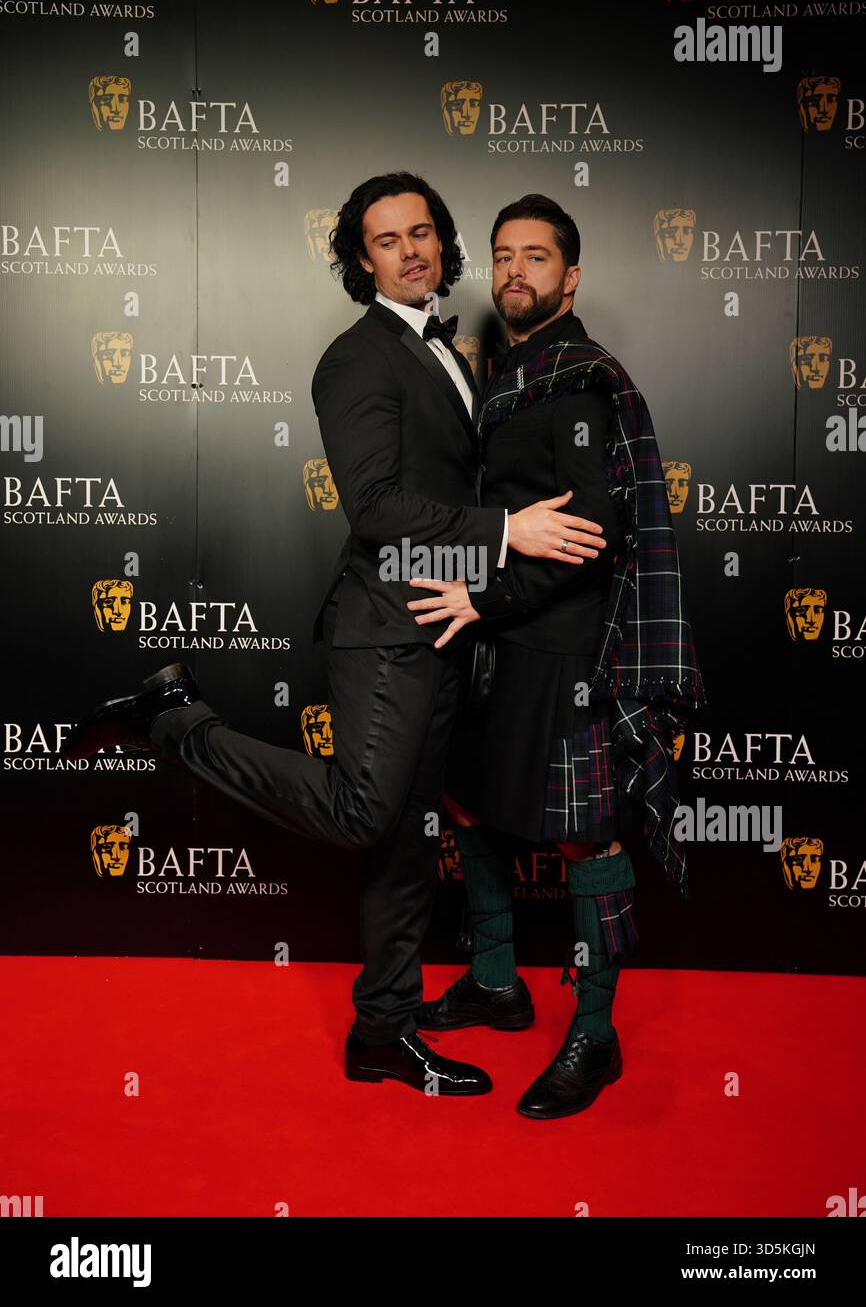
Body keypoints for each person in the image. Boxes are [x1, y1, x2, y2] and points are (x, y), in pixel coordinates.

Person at [59, 172, 608, 1100]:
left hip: (447, 630)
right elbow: (379, 508)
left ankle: (382, 1032)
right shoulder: (359, 358)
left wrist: (485, 592)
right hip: (385, 631)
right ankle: (176, 720)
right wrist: (510, 534)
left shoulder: (454, 353)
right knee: (364, 812)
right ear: (361, 259)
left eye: (423, 232)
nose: (413, 250)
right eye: (388, 240)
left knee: (401, 843)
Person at [404, 193, 706, 1118]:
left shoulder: (576, 380)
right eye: (502, 256)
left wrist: (478, 596)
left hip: (564, 647)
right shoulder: (507, 375)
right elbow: (504, 522)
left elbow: (584, 540)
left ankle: (597, 1033)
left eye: (536, 257)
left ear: (571, 278)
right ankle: (497, 980)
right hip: (499, 644)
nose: (515, 272)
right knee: (465, 800)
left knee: (587, 834)